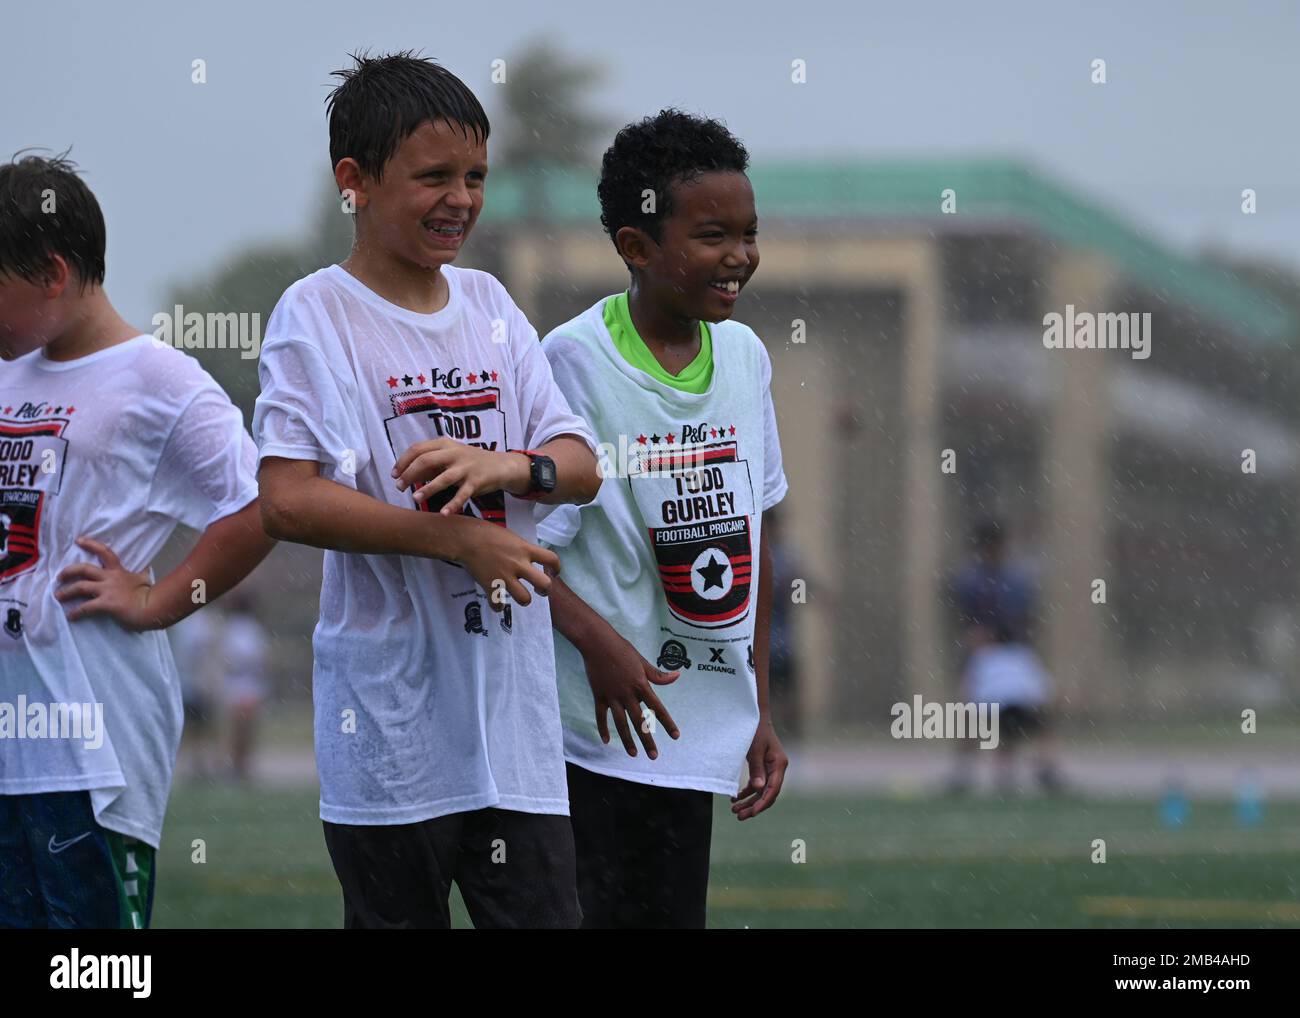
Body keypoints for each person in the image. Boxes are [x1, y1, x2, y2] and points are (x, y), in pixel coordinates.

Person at [253, 52, 601, 929]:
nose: (462, 199)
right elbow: (286, 499)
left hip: (515, 738)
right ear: (355, 181)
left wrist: (510, 468)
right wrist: (453, 537)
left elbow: (582, 463)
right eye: (435, 176)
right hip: (389, 729)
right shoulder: (316, 313)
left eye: (476, 176)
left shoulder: (488, 301)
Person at [0, 152, 273, 928]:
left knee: (94, 972)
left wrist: (158, 599)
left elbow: (260, 507)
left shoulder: (161, 382)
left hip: (92, 749)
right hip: (7, 740)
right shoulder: (8, 372)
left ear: (52, 273)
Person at [536, 110, 789, 928]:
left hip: (693, 733)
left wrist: (756, 706)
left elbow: (754, 539)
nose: (739, 256)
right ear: (636, 247)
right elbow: (519, 557)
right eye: (713, 235)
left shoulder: (746, 359)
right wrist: (600, 647)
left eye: (748, 234)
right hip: (591, 730)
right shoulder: (570, 361)